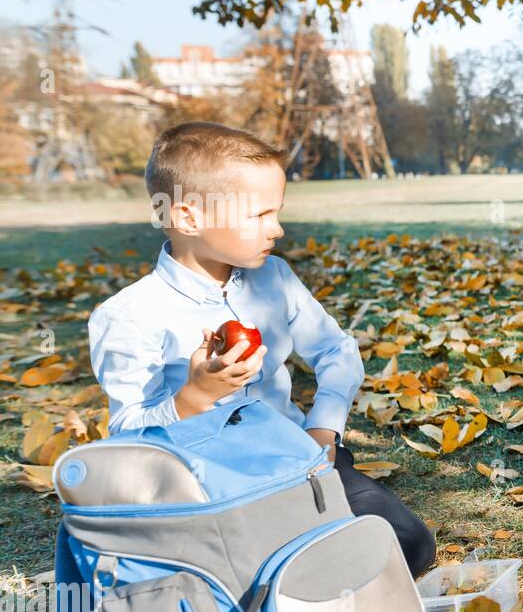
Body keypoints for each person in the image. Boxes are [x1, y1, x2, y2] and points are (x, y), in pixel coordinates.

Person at [87, 121, 437, 578]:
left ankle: (302, 564)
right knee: (266, 567)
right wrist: (195, 397)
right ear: (189, 218)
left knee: (410, 546)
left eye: (278, 211)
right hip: (210, 486)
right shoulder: (130, 315)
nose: (278, 229)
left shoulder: (274, 278)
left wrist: (324, 432)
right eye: (259, 215)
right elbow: (128, 436)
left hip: (300, 460)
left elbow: (336, 350)